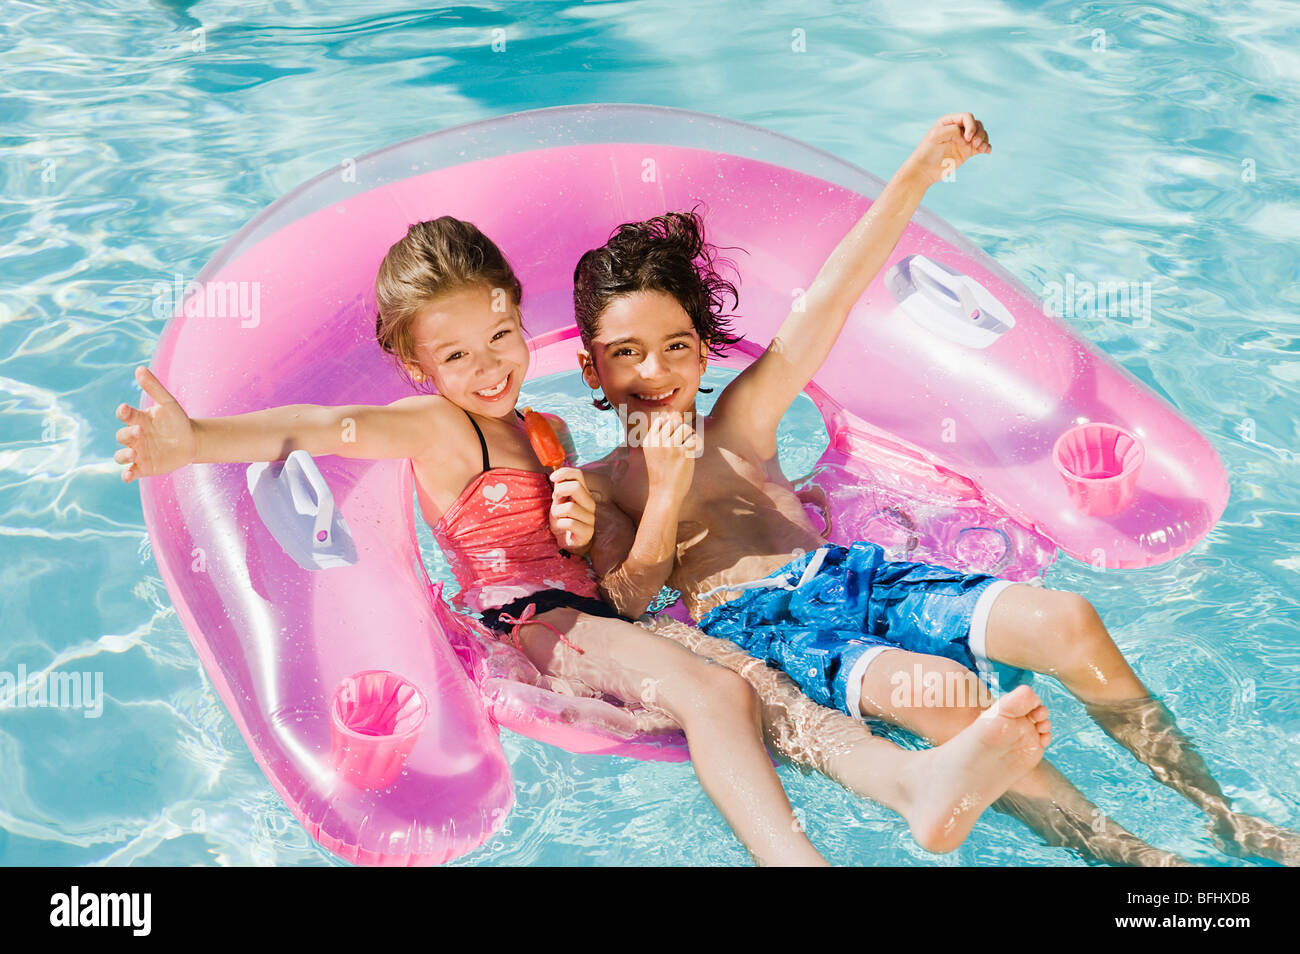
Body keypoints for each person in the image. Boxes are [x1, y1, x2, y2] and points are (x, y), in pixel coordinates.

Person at [113, 215, 1051, 866]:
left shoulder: (546, 437)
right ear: (414, 365)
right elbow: (326, 425)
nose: (488, 367)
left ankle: (911, 785)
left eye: (500, 335)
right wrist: (193, 442)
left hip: (600, 613)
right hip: (539, 620)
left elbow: (621, 577)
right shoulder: (440, 429)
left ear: (523, 319)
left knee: (762, 693)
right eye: (456, 356)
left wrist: (587, 528)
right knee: (718, 693)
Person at [574, 112, 1298, 866]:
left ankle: (1225, 818)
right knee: (947, 694)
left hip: (856, 577)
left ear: (702, 352)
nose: (654, 373)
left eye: (674, 348)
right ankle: (1134, 858)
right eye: (627, 354)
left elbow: (831, 296)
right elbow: (626, 601)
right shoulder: (598, 488)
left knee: (1070, 621)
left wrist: (920, 170)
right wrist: (662, 491)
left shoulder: (739, 423)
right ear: (592, 369)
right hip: (766, 624)